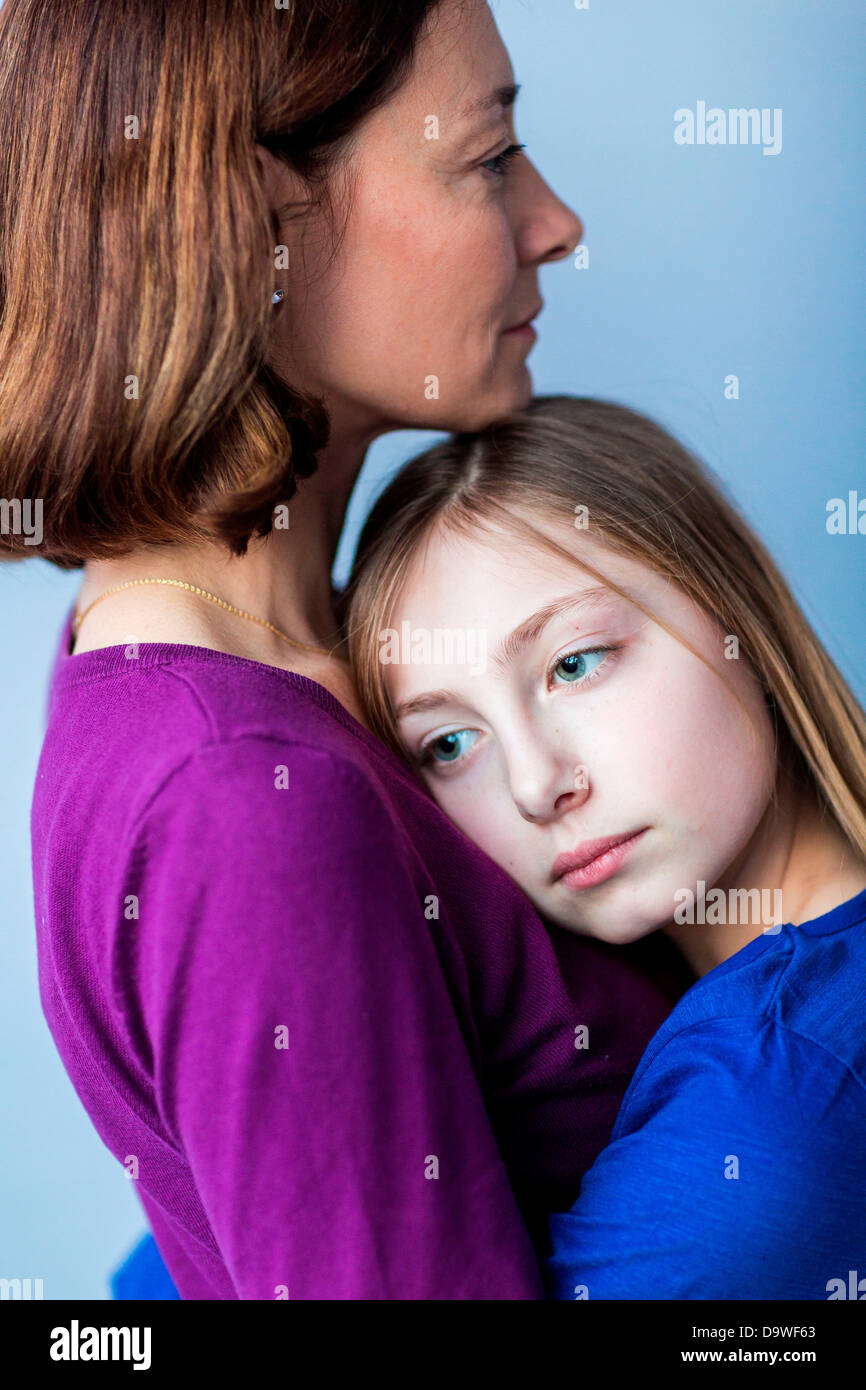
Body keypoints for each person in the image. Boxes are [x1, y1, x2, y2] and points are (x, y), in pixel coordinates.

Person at [2, 1, 675, 1298]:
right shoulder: (243, 798)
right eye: (488, 159)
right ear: (262, 226)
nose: (555, 222)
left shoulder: (240, 668)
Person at [343, 392, 866, 1299]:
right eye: (450, 744)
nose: (536, 785)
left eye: (575, 663)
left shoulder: (774, 1102)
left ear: (729, 605)